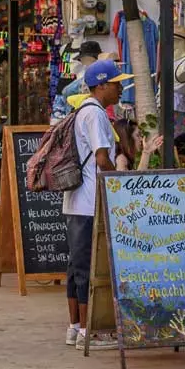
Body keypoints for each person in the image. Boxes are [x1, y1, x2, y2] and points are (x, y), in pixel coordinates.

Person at [61, 62, 127, 348]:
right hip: (90, 203)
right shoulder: (96, 115)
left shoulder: (82, 111)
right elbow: (102, 158)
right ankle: (89, 332)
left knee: (76, 266)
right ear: (101, 85)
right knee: (88, 267)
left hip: (78, 202)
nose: (120, 87)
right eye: (116, 83)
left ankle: (75, 327)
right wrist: (118, 188)